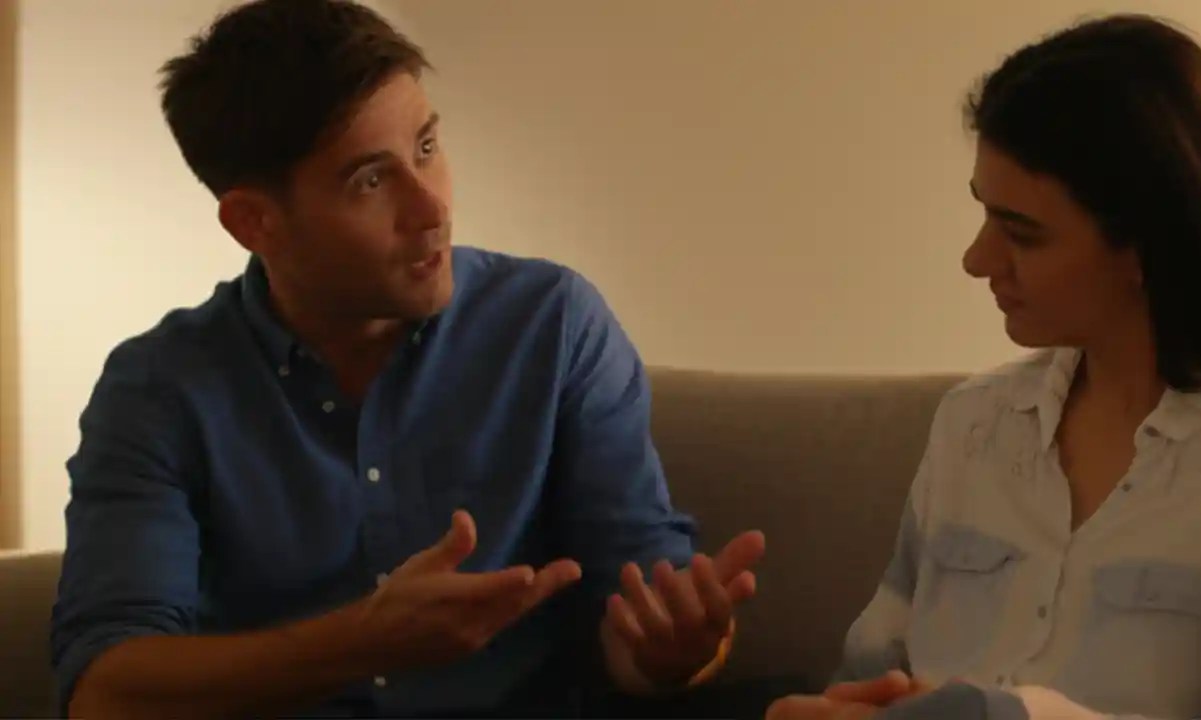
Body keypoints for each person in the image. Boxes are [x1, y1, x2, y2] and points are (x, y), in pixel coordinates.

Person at [49, 1, 768, 717]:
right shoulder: (158, 389)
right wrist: (359, 640)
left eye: (426, 147)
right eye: (370, 179)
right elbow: (106, 695)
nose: (431, 208)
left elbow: (638, 610)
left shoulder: (550, 325)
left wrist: (671, 652)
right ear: (254, 222)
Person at [769, 13, 1201, 720]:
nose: (977, 261)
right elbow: (862, 682)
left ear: (1145, 248)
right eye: (986, 216)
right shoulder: (971, 428)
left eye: (1022, 234)